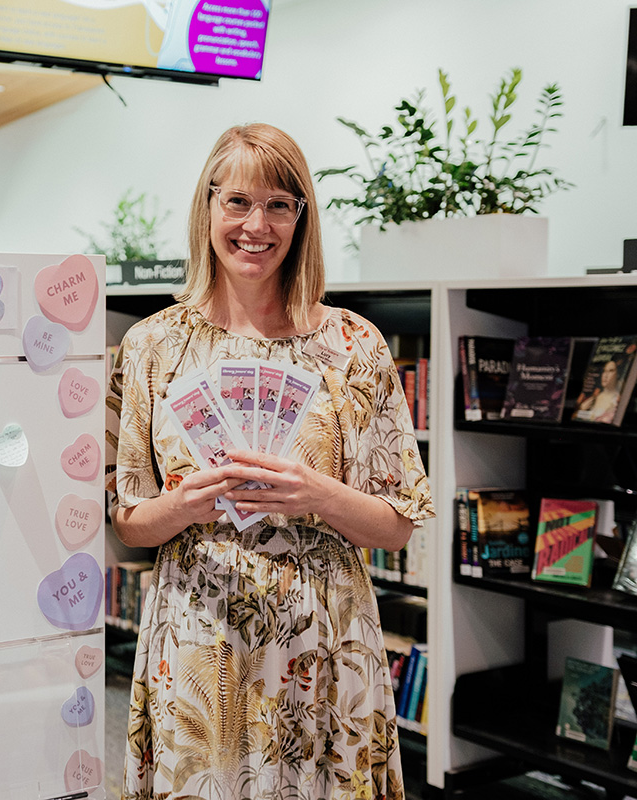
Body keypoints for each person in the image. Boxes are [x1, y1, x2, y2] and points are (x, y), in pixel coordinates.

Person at [104, 123, 434, 800]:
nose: (257, 224)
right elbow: (128, 524)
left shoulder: (354, 346)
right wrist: (186, 504)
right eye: (238, 202)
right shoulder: (151, 348)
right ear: (208, 208)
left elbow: (397, 525)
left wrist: (318, 495)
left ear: (302, 218)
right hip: (197, 644)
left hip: (324, 646)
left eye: (279, 204)